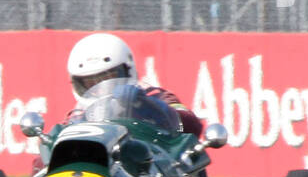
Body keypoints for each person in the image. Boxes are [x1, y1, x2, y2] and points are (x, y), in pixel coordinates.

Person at [65, 33, 204, 137]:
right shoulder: (79, 114)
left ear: (127, 70)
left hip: (149, 167)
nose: (101, 87)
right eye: (91, 83)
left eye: (108, 78)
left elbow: (192, 126)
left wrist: (146, 105)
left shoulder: (156, 95)